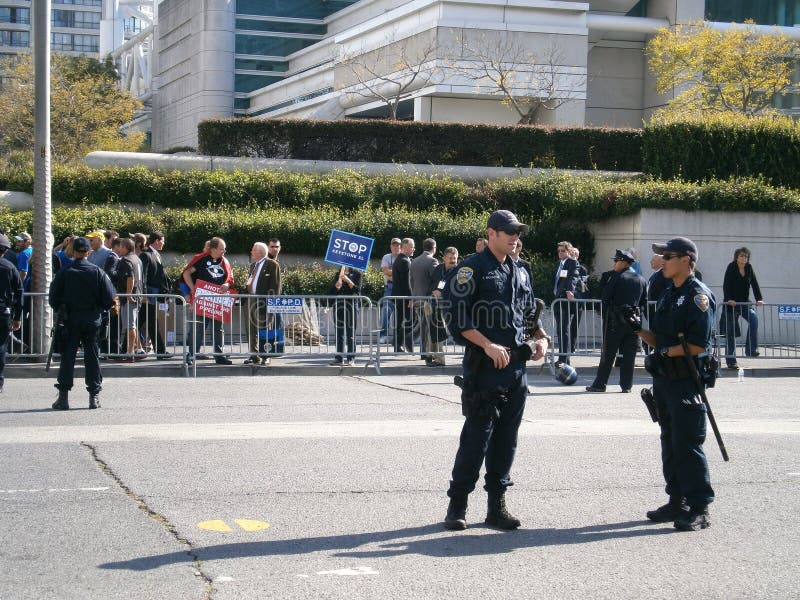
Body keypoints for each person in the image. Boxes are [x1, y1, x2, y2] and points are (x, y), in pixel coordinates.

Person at [443, 210, 549, 531]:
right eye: (508, 232)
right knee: (476, 438)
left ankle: (496, 506)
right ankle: (457, 503)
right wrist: (487, 344)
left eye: (517, 232)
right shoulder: (470, 269)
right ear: (491, 234)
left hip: (516, 370)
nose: (515, 237)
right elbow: (457, 320)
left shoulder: (520, 271)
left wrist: (541, 337)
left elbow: (529, 312)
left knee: (507, 440)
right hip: (484, 370)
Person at [634, 237, 716, 532]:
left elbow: (697, 345)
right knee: (669, 441)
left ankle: (699, 507)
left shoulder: (698, 296)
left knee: (688, 444)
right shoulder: (670, 293)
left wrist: (666, 352)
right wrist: (638, 329)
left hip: (685, 380)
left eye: (667, 256)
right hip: (665, 379)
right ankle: (676, 500)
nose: (662, 261)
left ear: (685, 259)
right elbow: (661, 340)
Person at [49, 237, 116, 410]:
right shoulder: (97, 272)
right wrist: (98, 309)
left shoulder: (65, 272)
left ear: (73, 251)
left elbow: (53, 298)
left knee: (67, 357)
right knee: (92, 356)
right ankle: (94, 396)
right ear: (88, 252)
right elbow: (109, 298)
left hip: (70, 319)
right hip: (91, 318)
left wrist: (62, 309)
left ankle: (63, 397)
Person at [585, 249, 646, 393]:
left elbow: (606, 298)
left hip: (614, 323)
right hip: (633, 322)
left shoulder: (616, 277)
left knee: (608, 354)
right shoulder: (641, 279)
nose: (614, 264)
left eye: (616, 261)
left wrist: (606, 316)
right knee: (629, 356)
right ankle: (627, 386)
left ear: (623, 262)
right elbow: (644, 302)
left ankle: (600, 384)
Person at [182, 236, 234, 365]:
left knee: (218, 329)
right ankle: (192, 355)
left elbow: (230, 278)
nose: (224, 251)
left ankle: (219, 355)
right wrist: (193, 288)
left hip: (218, 301)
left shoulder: (225, 262)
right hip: (202, 299)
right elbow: (186, 273)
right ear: (213, 249)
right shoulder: (201, 259)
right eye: (222, 249)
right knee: (198, 328)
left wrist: (227, 285)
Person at [722, 247, 763, 368]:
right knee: (731, 332)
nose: (744, 258)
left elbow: (754, 283)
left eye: (746, 256)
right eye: (741, 256)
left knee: (754, 319)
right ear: (736, 257)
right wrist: (729, 299)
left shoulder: (749, 268)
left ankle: (750, 349)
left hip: (744, 302)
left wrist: (759, 299)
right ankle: (731, 361)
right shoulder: (731, 267)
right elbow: (726, 284)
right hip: (731, 304)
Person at [243, 242, 280, 365]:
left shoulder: (272, 264)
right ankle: (254, 354)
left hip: (264, 301)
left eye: (253, 250)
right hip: (251, 299)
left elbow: (275, 286)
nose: (251, 252)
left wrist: (271, 303)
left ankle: (265, 355)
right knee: (251, 329)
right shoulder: (253, 265)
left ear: (260, 252)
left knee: (265, 329)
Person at [410, 238, 443, 366]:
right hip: (428, 300)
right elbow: (436, 280)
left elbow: (411, 281)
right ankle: (428, 354)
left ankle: (424, 353)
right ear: (433, 248)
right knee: (430, 329)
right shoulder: (432, 261)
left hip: (417, 299)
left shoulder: (414, 261)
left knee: (424, 327)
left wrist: (414, 296)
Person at [141, 232, 173, 358]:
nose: (164, 243)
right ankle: (160, 351)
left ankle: (160, 351)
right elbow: (143, 276)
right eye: (162, 241)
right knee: (149, 322)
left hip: (153, 294)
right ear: (156, 241)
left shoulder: (156, 254)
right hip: (148, 294)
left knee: (147, 322)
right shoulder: (146, 255)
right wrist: (143, 294)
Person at [115, 237, 145, 359]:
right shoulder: (137, 259)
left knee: (130, 325)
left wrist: (128, 295)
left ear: (126, 247)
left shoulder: (126, 260)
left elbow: (130, 278)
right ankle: (140, 348)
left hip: (130, 298)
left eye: (121, 246)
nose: (119, 249)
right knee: (132, 323)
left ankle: (130, 351)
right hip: (138, 295)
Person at [0, 234, 22, 394]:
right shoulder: (9, 267)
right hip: (3, 312)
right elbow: (19, 291)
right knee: (1, 347)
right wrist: (17, 317)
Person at [328, 266, 362, 366]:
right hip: (339, 306)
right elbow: (331, 293)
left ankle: (351, 358)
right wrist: (336, 287)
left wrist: (348, 281)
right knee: (339, 332)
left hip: (351, 306)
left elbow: (357, 290)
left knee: (350, 333)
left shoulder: (357, 273)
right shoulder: (338, 274)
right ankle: (339, 358)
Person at [552, 240, 580, 365]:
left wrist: (570, 290)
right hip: (558, 299)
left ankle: (564, 358)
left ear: (569, 251)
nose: (560, 253)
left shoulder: (572, 262)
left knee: (564, 329)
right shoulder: (560, 263)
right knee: (560, 330)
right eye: (558, 251)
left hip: (564, 300)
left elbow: (573, 277)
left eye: (562, 251)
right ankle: (563, 357)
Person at [391, 237, 415, 353]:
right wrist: (411, 298)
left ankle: (398, 344)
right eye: (411, 246)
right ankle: (400, 342)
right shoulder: (404, 261)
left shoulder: (401, 259)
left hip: (400, 296)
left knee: (401, 321)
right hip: (404, 297)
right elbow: (407, 282)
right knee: (411, 320)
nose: (413, 249)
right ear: (405, 247)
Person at [379, 238, 401, 344]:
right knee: (386, 311)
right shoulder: (386, 257)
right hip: (389, 289)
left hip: (402, 290)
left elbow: (406, 274)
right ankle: (383, 335)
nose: (396, 247)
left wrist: (392, 274)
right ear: (390, 247)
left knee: (402, 314)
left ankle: (401, 337)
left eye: (398, 245)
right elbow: (385, 270)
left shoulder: (405, 257)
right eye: (394, 245)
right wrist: (398, 274)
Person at [267, 238, 285, 354]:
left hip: (277, 300)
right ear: (268, 247)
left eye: (277, 247)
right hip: (268, 299)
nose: (274, 249)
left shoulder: (279, 262)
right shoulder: (267, 261)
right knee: (270, 325)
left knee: (278, 323)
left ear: (280, 248)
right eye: (272, 247)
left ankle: (277, 349)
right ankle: (270, 349)